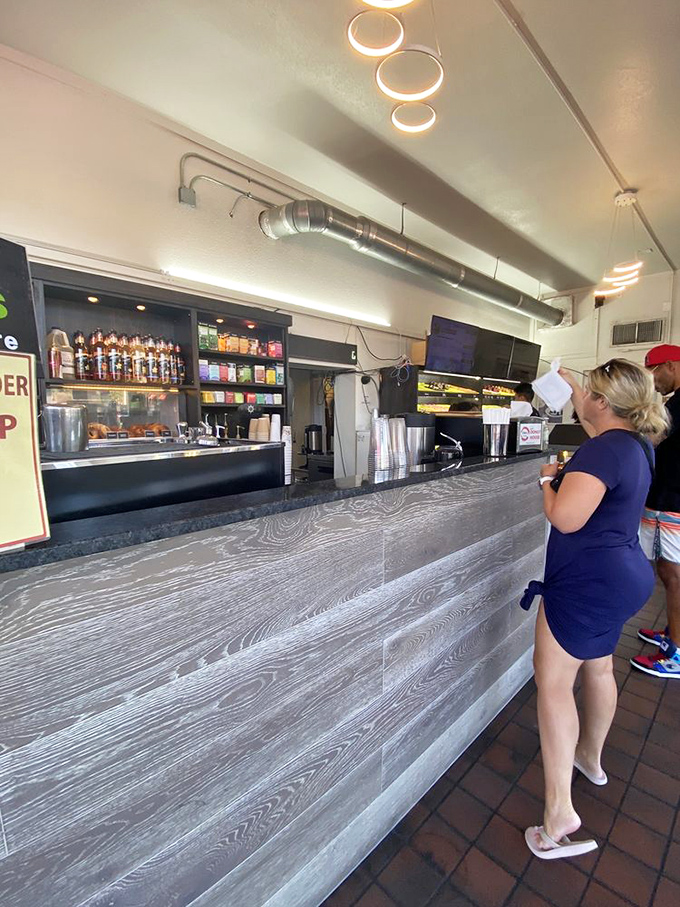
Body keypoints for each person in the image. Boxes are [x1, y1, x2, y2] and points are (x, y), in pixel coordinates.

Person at [520, 359, 668, 860]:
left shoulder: (598, 452)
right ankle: (591, 759)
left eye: (589, 394)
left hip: (586, 583)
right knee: (599, 667)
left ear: (604, 403)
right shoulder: (635, 444)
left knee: (555, 684)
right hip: (626, 577)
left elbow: (564, 517)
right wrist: (577, 391)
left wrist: (546, 480)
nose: (583, 401)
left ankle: (559, 814)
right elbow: (595, 423)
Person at [631, 344, 680, 678]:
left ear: (670, 366)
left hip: (672, 502)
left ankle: (676, 653)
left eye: (653, 371)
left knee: (674, 576)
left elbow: (652, 439)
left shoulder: (677, 405)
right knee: (667, 571)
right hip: (666, 498)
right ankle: (672, 634)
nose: (653, 379)